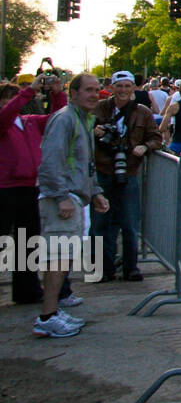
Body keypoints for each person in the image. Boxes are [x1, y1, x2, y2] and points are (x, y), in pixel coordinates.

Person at [35, 73, 111, 337]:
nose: (94, 94)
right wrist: (61, 196)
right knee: (56, 259)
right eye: (88, 90)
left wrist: (95, 191)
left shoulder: (82, 120)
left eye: (97, 90)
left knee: (63, 258)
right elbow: (50, 162)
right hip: (62, 200)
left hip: (74, 197)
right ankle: (47, 316)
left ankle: (53, 311)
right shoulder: (65, 119)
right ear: (73, 92)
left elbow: (83, 163)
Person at [1, 74, 69, 305]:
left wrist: (58, 93)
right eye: (7, 99)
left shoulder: (29, 121)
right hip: (4, 188)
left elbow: (56, 120)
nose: (11, 102)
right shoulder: (4, 121)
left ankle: (26, 289)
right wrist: (27, 92)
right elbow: (6, 115)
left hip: (29, 187)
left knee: (27, 241)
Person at [90, 70, 162, 282]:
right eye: (118, 86)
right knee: (101, 224)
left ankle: (131, 267)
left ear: (133, 88)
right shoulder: (99, 109)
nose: (122, 90)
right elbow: (81, 131)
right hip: (103, 171)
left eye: (126, 86)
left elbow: (156, 138)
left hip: (129, 172)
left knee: (130, 223)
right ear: (112, 87)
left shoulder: (142, 112)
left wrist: (144, 147)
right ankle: (104, 268)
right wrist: (94, 130)